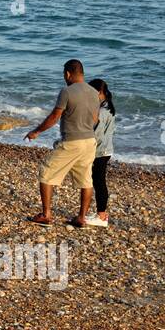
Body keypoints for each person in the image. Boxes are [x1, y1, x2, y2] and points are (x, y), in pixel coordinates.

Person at [25, 58, 102, 226]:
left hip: (72, 142)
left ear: (68, 74)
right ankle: (81, 218)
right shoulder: (94, 93)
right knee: (86, 180)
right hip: (90, 141)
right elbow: (96, 119)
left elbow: (54, 117)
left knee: (46, 171)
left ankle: (46, 215)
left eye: (64, 75)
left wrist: (36, 131)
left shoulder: (67, 91)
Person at [89, 78, 116, 228]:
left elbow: (97, 134)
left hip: (100, 150)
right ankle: (101, 214)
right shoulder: (108, 107)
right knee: (98, 181)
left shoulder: (102, 111)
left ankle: (101, 216)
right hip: (106, 149)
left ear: (99, 92)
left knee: (99, 183)